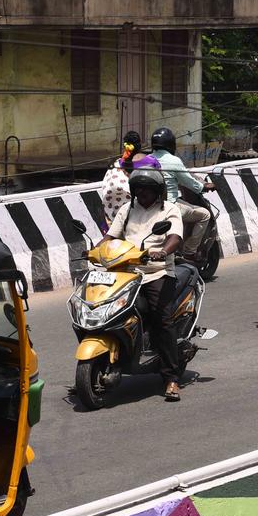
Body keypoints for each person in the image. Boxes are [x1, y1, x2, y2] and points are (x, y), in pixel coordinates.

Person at [103, 169, 186, 401]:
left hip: (156, 272)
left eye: (146, 189)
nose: (141, 193)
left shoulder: (169, 210)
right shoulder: (127, 209)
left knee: (163, 319)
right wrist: (95, 251)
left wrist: (163, 252)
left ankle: (171, 378)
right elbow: (111, 237)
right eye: (138, 188)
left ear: (158, 191)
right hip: (126, 272)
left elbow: (175, 238)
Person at [149, 127, 214, 260]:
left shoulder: (146, 160)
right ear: (171, 144)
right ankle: (189, 251)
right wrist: (204, 187)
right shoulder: (174, 161)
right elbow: (189, 182)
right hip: (170, 205)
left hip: (149, 206)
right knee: (205, 215)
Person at [101, 131, 161, 224]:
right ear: (140, 145)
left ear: (125, 146)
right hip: (144, 212)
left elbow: (107, 189)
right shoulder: (151, 161)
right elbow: (160, 184)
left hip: (118, 215)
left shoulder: (117, 163)